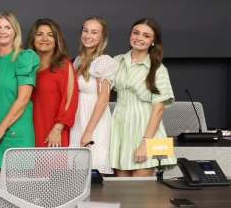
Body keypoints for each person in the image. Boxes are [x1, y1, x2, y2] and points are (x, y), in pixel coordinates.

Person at [111, 18, 175, 177]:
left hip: (148, 131)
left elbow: (159, 110)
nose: (139, 38)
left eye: (146, 36)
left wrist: (146, 143)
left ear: (153, 41)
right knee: (120, 189)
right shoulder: (116, 61)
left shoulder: (159, 69)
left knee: (140, 189)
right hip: (120, 128)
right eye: (136, 33)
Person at [0, 12, 39, 176]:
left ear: (15, 32)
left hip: (15, 131)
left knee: (16, 187)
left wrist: (1, 129)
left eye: (7, 27)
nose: (2, 31)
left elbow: (23, 99)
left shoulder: (24, 58)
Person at [70, 17, 118, 174]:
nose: (88, 35)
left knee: (92, 168)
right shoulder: (78, 61)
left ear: (102, 37)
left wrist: (89, 131)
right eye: (85, 31)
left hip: (94, 120)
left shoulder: (104, 61)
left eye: (94, 32)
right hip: (77, 118)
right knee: (76, 170)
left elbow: (103, 100)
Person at [27, 18, 79, 148]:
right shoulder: (26, 66)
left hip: (54, 133)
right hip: (28, 131)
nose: (44, 38)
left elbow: (70, 100)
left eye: (50, 35)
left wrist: (57, 129)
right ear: (33, 39)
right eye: (39, 34)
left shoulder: (64, 66)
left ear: (56, 41)